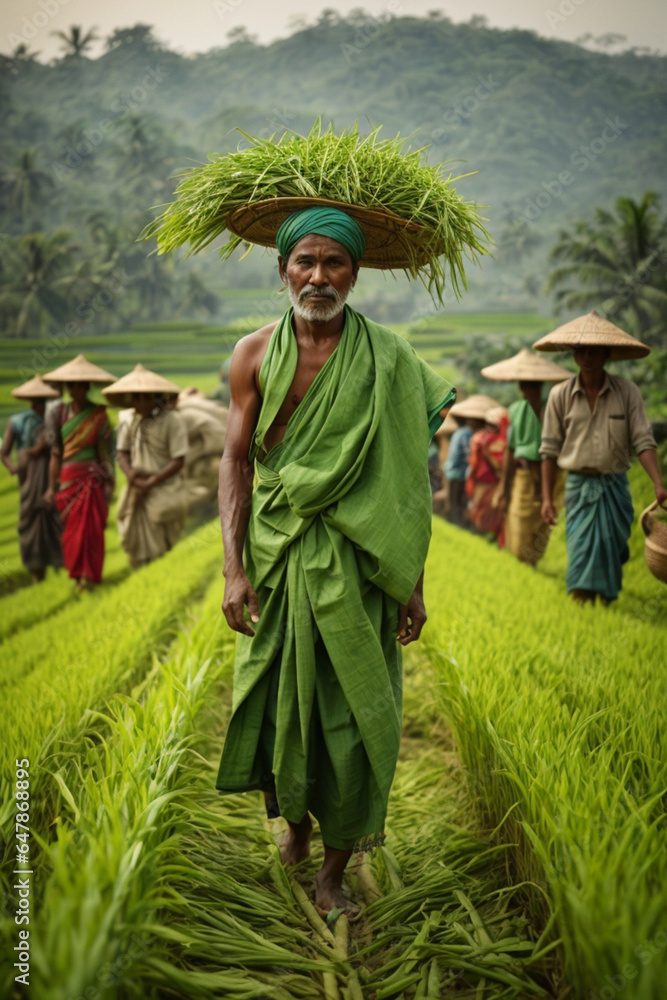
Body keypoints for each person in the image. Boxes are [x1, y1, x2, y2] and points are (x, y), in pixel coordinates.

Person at [215, 207, 455, 914]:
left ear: (356, 272)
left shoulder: (391, 360)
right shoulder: (253, 353)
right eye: (305, 263)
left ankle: (334, 869)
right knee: (278, 697)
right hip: (279, 551)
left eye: (334, 264)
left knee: (356, 706)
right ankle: (291, 819)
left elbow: (408, 481)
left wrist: (412, 582)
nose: (318, 277)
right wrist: (233, 568)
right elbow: (234, 460)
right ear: (283, 269)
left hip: (360, 558)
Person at [535, 311, 667, 603]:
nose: (588, 356)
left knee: (613, 544)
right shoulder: (560, 395)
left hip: (615, 486)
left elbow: (643, 441)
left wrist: (658, 484)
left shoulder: (627, 392)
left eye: (595, 350)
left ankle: (606, 602)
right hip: (579, 486)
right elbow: (549, 450)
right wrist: (547, 498)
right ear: (573, 354)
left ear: (607, 353)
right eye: (582, 350)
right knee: (581, 546)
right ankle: (581, 603)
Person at [482, 349, 571, 566]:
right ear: (521, 386)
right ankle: (522, 562)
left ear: (540, 385)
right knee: (519, 524)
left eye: (532, 384)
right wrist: (505, 487)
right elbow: (511, 450)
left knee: (543, 525)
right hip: (524, 477)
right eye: (525, 384)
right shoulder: (516, 410)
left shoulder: (553, 408)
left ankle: (531, 563)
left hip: (550, 476)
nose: (527, 388)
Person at [103, 365, 190, 569]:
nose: (140, 402)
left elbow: (179, 459)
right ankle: (142, 574)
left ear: (156, 397)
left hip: (164, 489)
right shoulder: (129, 420)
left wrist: (153, 481)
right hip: (137, 487)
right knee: (133, 539)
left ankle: (161, 573)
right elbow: (122, 452)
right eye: (136, 397)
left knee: (163, 542)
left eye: (146, 397)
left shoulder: (172, 421)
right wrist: (132, 476)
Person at [42, 354, 116, 591]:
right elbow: (55, 452)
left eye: (80, 385)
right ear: (66, 387)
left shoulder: (99, 414)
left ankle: (88, 577)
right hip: (67, 477)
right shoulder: (58, 413)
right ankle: (77, 575)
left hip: (91, 478)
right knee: (71, 532)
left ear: (88, 386)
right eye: (71, 385)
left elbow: (103, 451)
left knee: (91, 530)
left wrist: (109, 479)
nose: (76, 389)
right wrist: (50, 487)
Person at [1, 376, 63, 581]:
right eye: (37, 401)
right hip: (29, 478)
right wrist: (13, 468)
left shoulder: (53, 419)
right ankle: (37, 570)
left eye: (43, 400)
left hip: (49, 474)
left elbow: (58, 449)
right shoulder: (18, 421)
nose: (40, 404)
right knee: (30, 518)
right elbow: (4, 452)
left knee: (53, 516)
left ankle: (58, 565)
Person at [443, 415, 472, 526]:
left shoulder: (464, 433)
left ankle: (458, 523)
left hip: (458, 473)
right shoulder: (460, 432)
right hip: (455, 472)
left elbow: (466, 454)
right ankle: (456, 522)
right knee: (454, 501)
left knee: (456, 501)